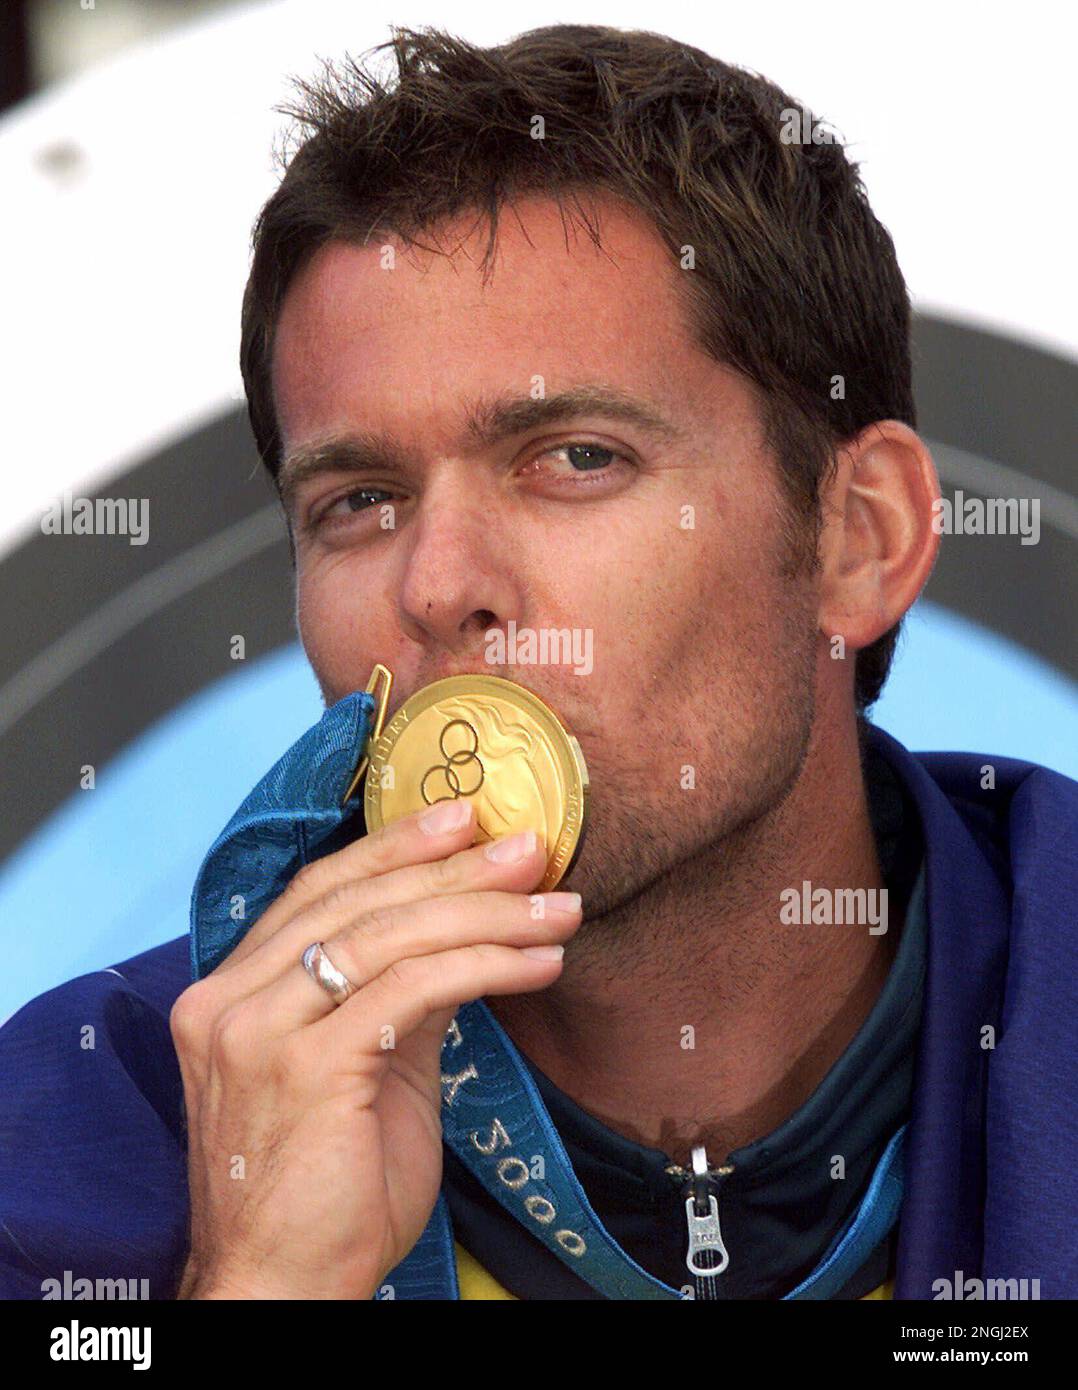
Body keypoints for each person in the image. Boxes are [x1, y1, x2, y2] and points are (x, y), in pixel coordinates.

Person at [1, 23, 1074, 1302]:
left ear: (859, 537)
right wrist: (263, 1278)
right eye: (361, 499)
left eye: (574, 458)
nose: (439, 583)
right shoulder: (79, 1129)